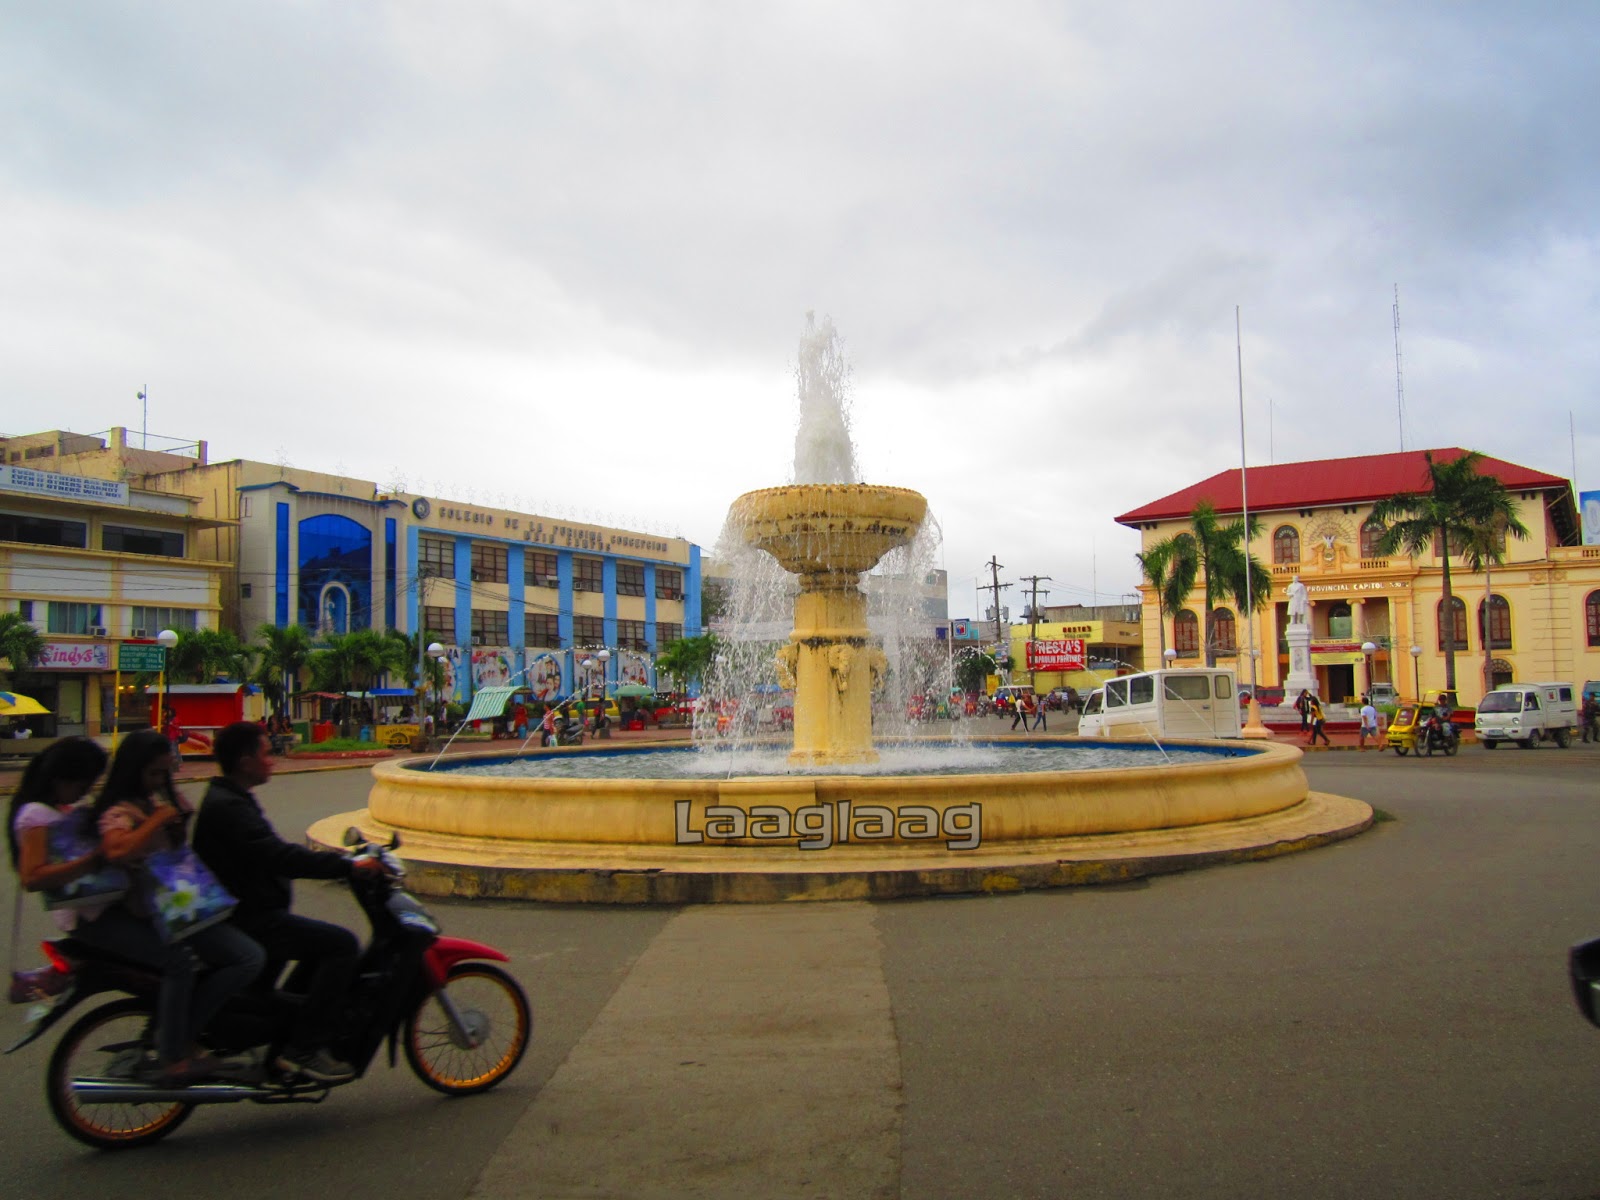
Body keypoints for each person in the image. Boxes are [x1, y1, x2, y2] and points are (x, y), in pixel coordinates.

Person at [193, 721, 377, 1084]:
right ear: (246, 761)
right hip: (250, 918)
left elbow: (273, 854)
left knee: (314, 950)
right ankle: (304, 1048)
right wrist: (347, 866)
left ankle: (287, 1034)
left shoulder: (230, 797)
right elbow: (278, 856)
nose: (273, 760)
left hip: (251, 912)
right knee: (341, 945)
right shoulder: (229, 806)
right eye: (266, 753)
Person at [91, 730, 266, 1085]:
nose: (159, 781)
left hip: (184, 903)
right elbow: (117, 850)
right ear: (133, 771)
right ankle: (177, 1046)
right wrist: (157, 819)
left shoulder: (156, 802)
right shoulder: (119, 810)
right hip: (161, 910)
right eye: (154, 773)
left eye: (164, 774)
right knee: (246, 957)